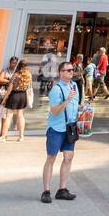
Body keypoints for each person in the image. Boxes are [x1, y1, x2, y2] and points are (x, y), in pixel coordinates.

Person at [41, 62, 80, 203]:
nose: (71, 72)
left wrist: (82, 111)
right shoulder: (56, 90)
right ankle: (46, 191)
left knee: (68, 157)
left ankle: (62, 190)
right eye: (68, 70)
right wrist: (68, 99)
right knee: (51, 158)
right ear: (61, 73)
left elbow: (75, 106)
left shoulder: (75, 86)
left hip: (70, 128)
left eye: (72, 70)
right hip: (56, 128)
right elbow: (55, 111)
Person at [2, 58, 31, 142]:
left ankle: (3, 136)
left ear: (19, 65)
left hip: (14, 95)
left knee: (8, 116)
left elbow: (9, 89)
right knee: (21, 116)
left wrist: (4, 99)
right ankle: (21, 136)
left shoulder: (16, 75)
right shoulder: (29, 75)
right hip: (23, 95)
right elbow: (29, 86)